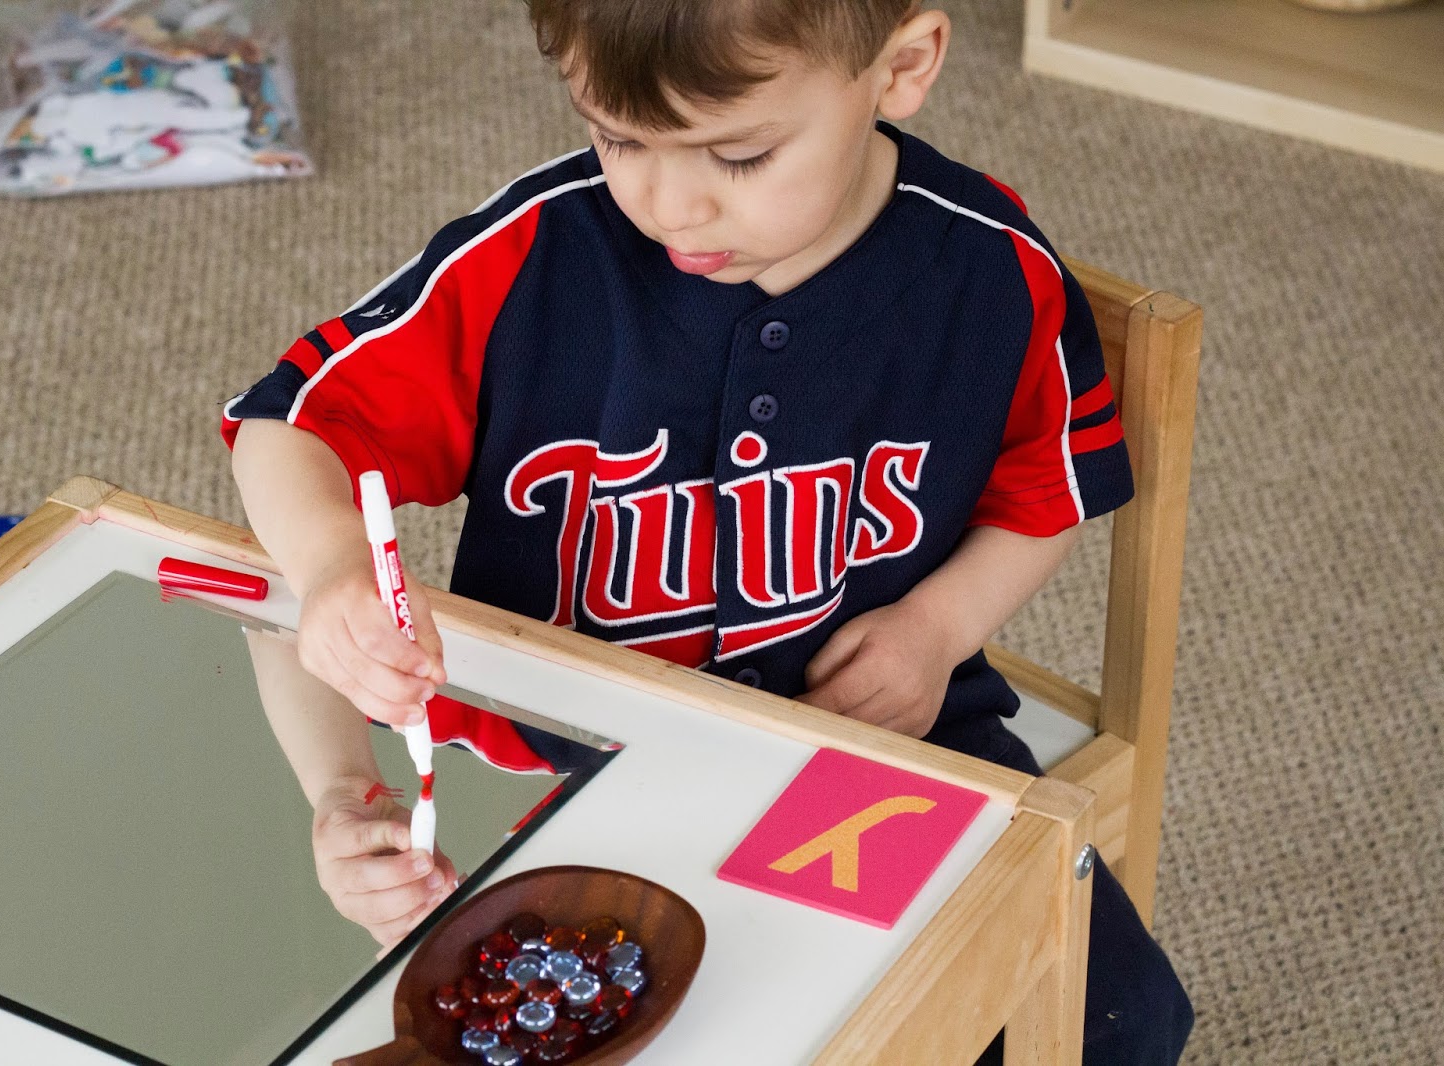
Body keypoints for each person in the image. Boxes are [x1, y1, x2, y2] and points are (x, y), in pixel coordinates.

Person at [224, 0, 1193, 1059]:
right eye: (618, 136)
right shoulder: (530, 259)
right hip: (561, 764)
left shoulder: (989, 269)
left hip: (873, 751)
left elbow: (1038, 495)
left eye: (738, 155)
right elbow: (286, 429)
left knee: (1111, 1017)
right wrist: (332, 575)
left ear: (902, 67)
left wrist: (935, 627)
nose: (667, 203)